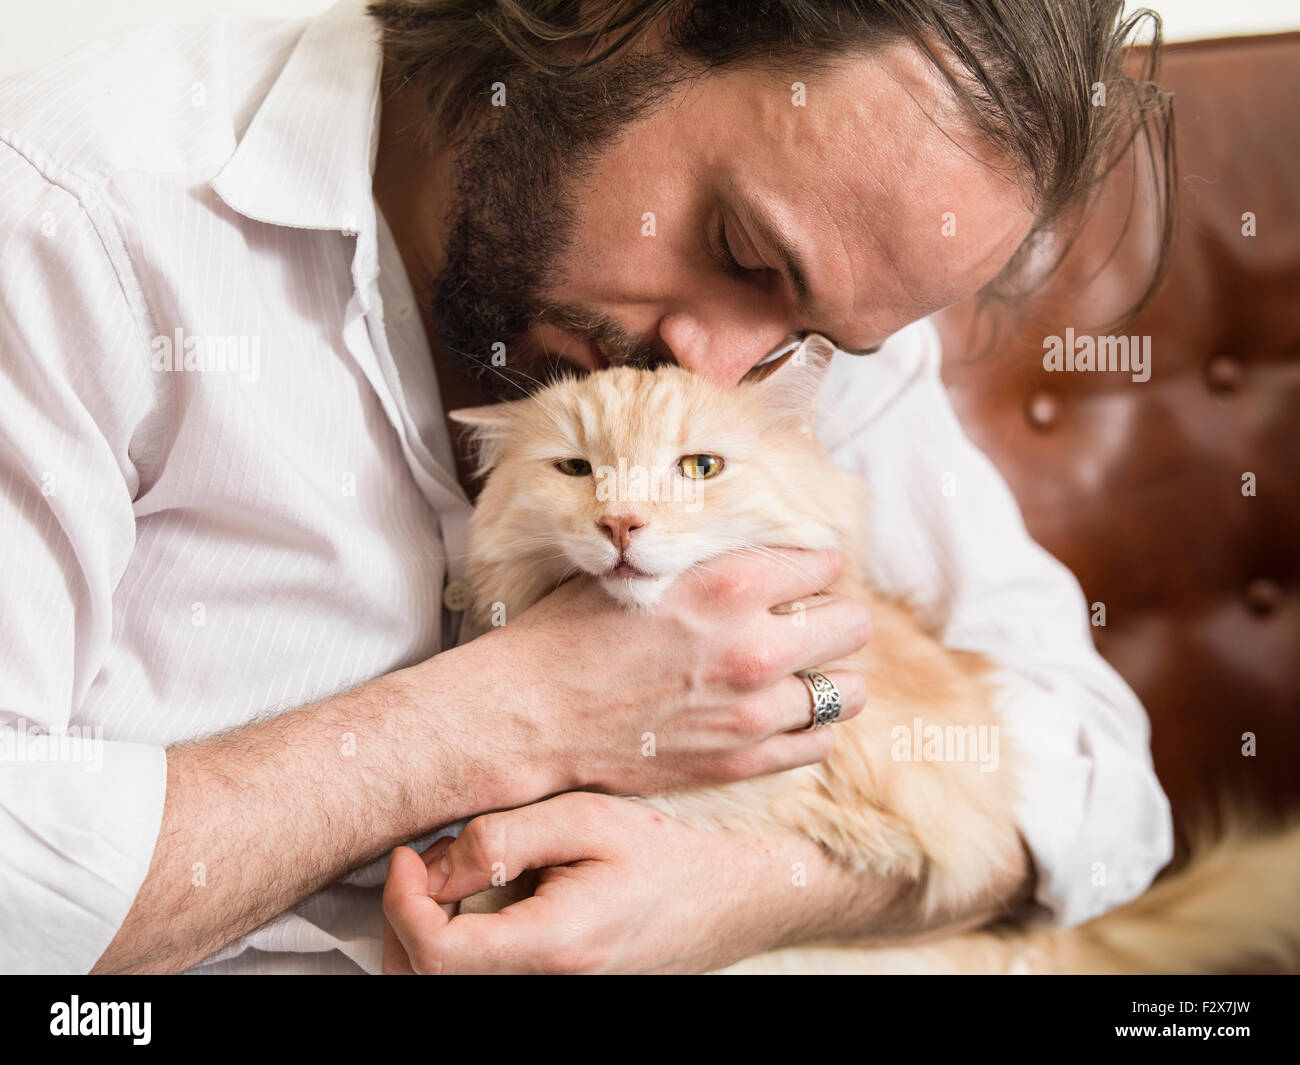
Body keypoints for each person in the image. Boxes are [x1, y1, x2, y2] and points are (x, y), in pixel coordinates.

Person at [0, 0, 1174, 975]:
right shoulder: (65, 211)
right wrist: (510, 715)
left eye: (808, 333)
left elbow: (1100, 783)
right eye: (740, 254)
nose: (714, 370)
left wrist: (743, 893)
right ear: (607, 24)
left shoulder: (799, 317)